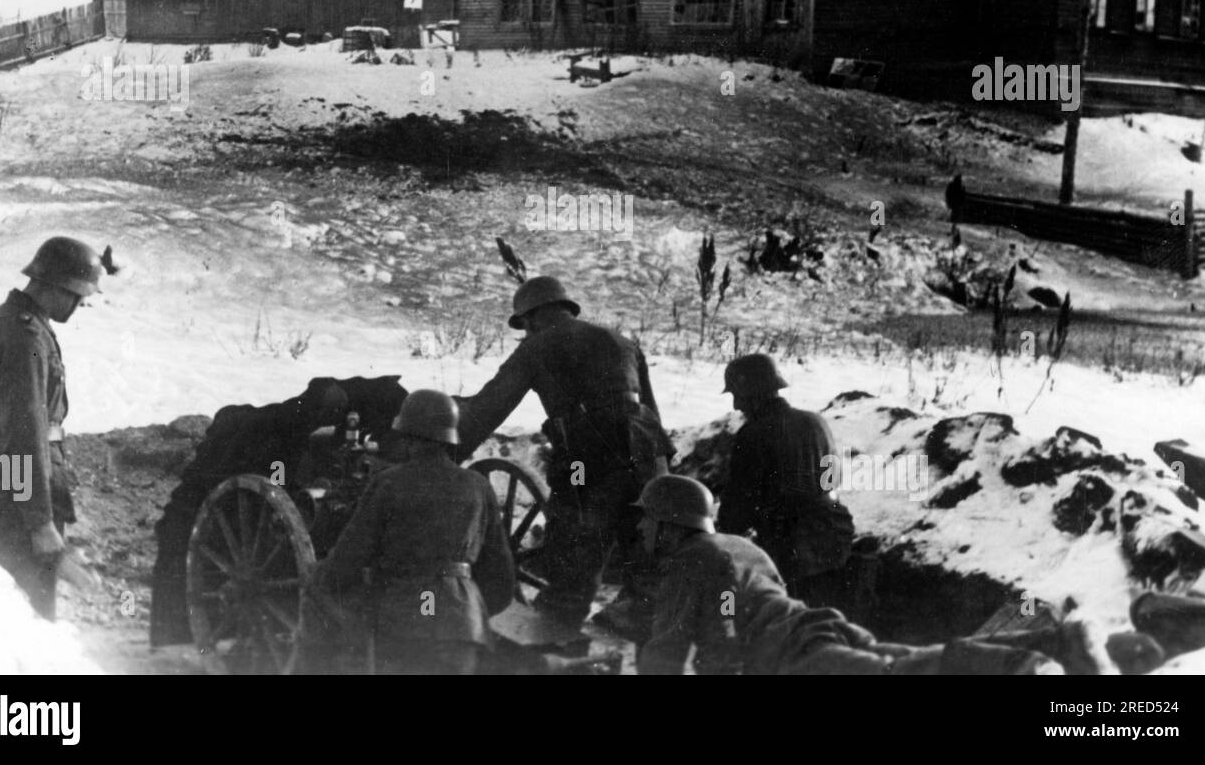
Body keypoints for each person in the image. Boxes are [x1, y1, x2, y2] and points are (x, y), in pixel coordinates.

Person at [635, 475, 1117, 676]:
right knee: (900, 659)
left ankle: (1016, 668)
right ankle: (1055, 642)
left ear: (669, 522)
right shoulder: (738, 544)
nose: (641, 527)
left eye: (647, 519)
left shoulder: (689, 563)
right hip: (819, 626)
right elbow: (758, 599)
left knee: (895, 673)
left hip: (795, 659)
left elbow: (675, 645)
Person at [453, 275, 673, 628]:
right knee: (643, 543)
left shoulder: (537, 346)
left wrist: (447, 456)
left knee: (577, 535)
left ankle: (557, 627)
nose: (525, 332)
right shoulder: (623, 341)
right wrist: (661, 471)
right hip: (645, 450)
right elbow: (652, 409)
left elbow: (490, 408)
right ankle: (640, 624)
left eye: (524, 325)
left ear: (533, 317)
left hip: (585, 456)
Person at [0, 236, 108, 620]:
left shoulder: (5, 321)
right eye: (76, 293)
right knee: (24, 618)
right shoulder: (24, 338)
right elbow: (25, 436)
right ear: (54, 285)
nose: (81, 303)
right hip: (6, 500)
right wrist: (39, 523)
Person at [308, 390, 515, 675]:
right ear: (449, 438)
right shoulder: (478, 486)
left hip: (402, 630)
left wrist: (317, 575)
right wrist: (466, 612)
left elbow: (347, 561)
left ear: (407, 438)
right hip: (464, 632)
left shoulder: (388, 483)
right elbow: (502, 578)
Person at [150, 376, 353, 647]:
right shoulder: (277, 426)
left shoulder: (294, 424)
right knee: (185, 551)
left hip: (243, 499)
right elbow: (272, 476)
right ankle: (183, 634)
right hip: (218, 500)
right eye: (330, 414)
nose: (332, 422)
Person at [716, 353, 854, 607]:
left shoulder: (752, 434)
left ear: (751, 393)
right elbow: (833, 480)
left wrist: (721, 538)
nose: (736, 406)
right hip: (834, 535)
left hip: (787, 550)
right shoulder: (815, 421)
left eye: (737, 395)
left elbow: (738, 505)